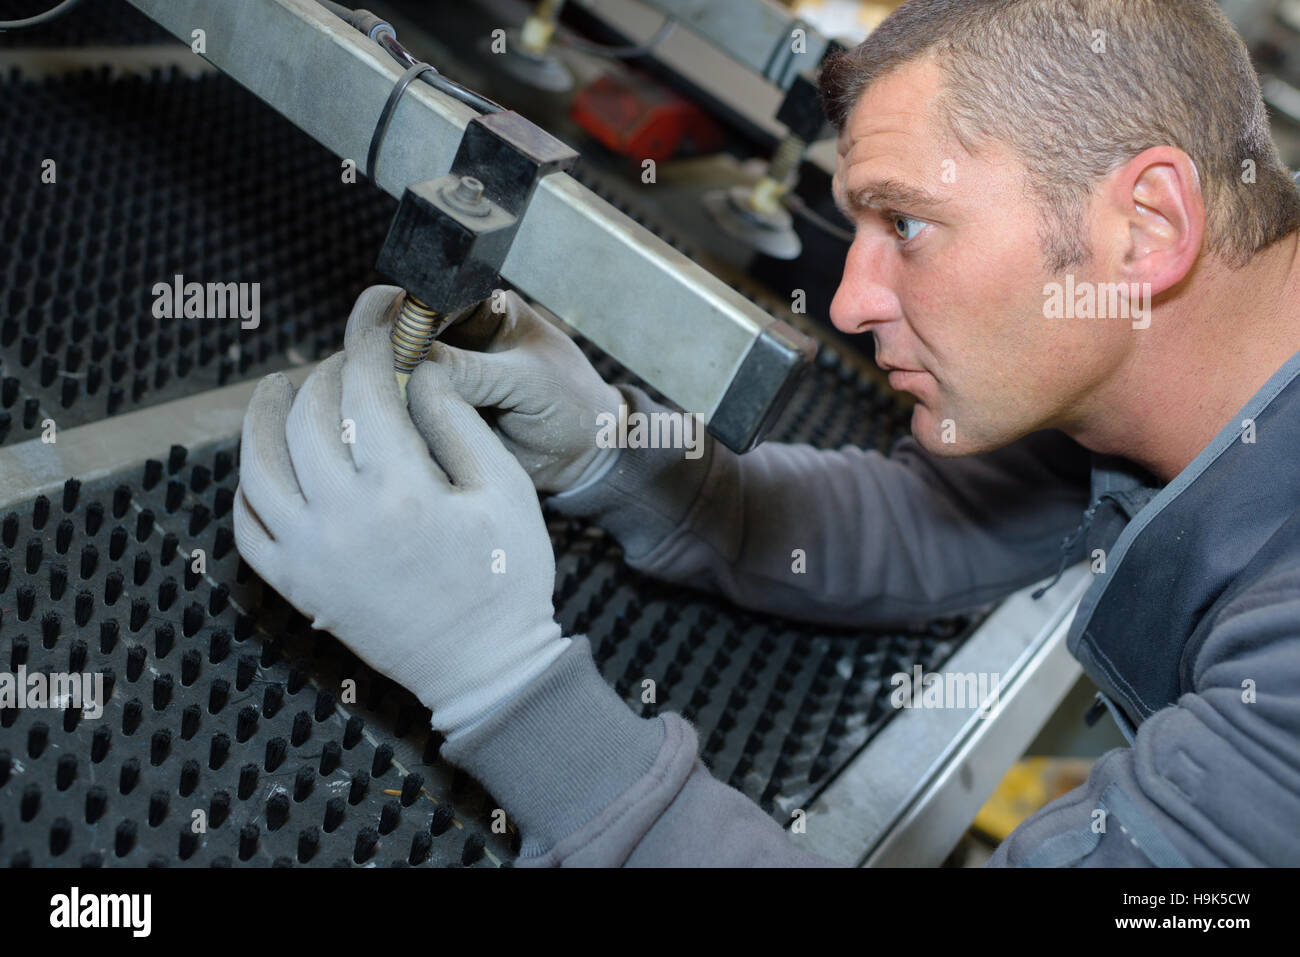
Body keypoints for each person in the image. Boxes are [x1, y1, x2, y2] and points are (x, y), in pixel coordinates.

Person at [235, 0, 1300, 866]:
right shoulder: (1157, 380)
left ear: (1146, 227)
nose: (846, 303)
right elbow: (936, 525)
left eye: (907, 224)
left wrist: (506, 687)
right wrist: (618, 450)